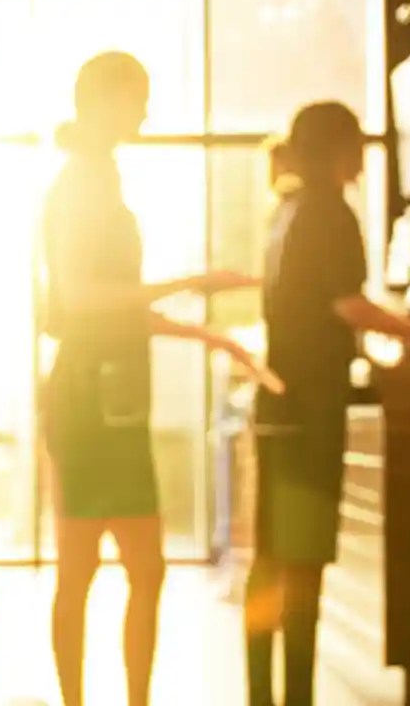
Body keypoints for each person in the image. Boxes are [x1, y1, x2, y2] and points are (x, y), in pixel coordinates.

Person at [40, 51, 282, 706]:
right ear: (103, 99)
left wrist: (210, 332)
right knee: (85, 569)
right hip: (90, 401)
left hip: (112, 395)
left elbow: (115, 310)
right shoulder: (80, 184)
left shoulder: (102, 178)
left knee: (140, 571)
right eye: (138, 97)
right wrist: (192, 283)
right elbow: (82, 296)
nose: (145, 111)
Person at [246, 102, 410, 706]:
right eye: (357, 145)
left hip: (277, 403)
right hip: (312, 408)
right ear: (336, 149)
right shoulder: (328, 212)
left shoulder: (285, 209)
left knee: (271, 559)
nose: (363, 157)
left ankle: (263, 697)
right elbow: (348, 306)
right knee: (305, 562)